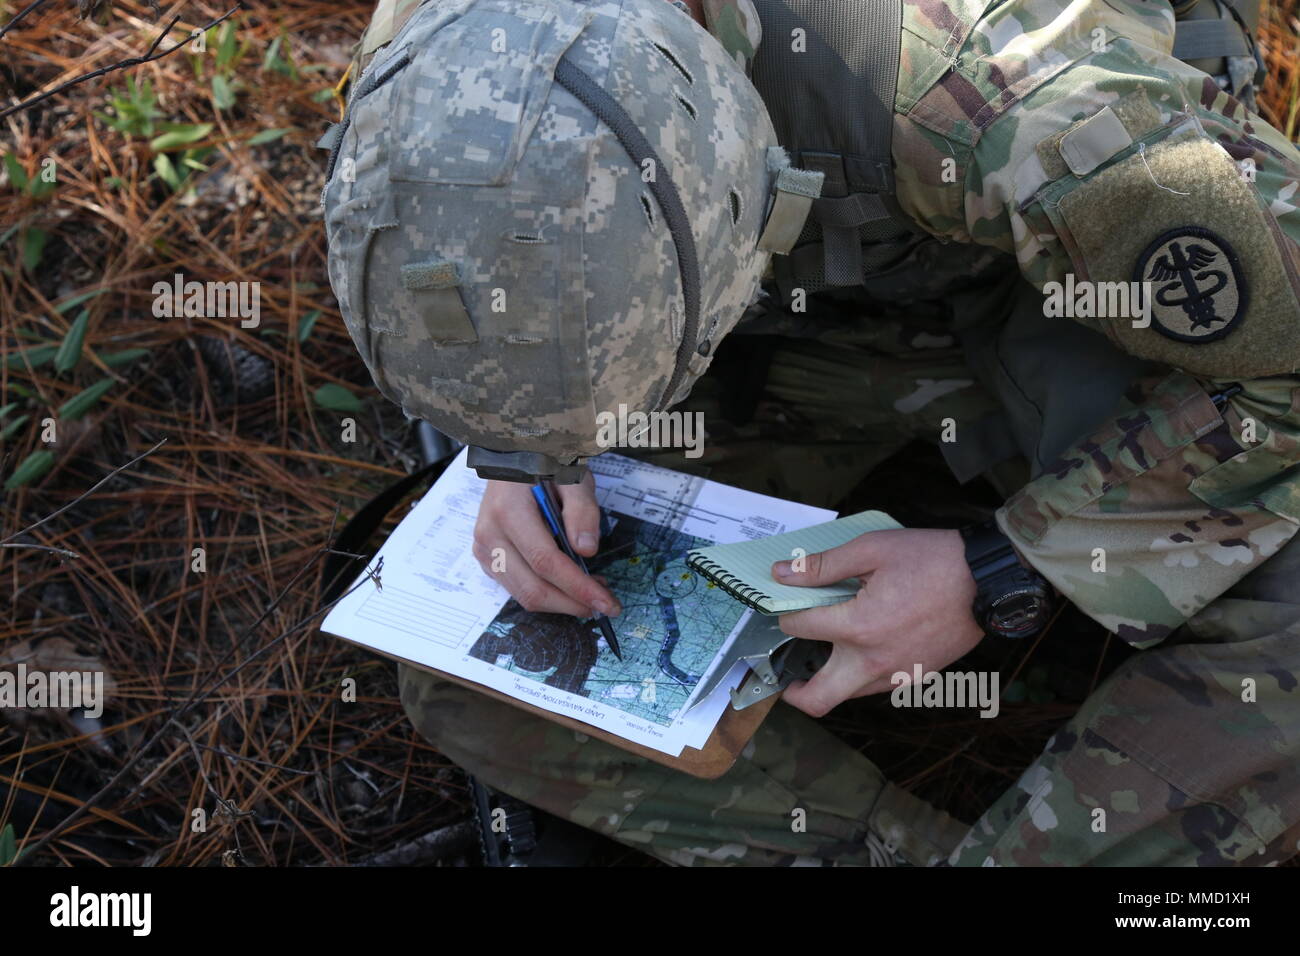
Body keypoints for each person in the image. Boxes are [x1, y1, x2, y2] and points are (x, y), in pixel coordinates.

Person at [321, 0, 1300, 865]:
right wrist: (525, 452)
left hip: (1059, 296)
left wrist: (1005, 571)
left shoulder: (1016, 90)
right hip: (798, 324)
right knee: (486, 656)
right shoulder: (437, 65)